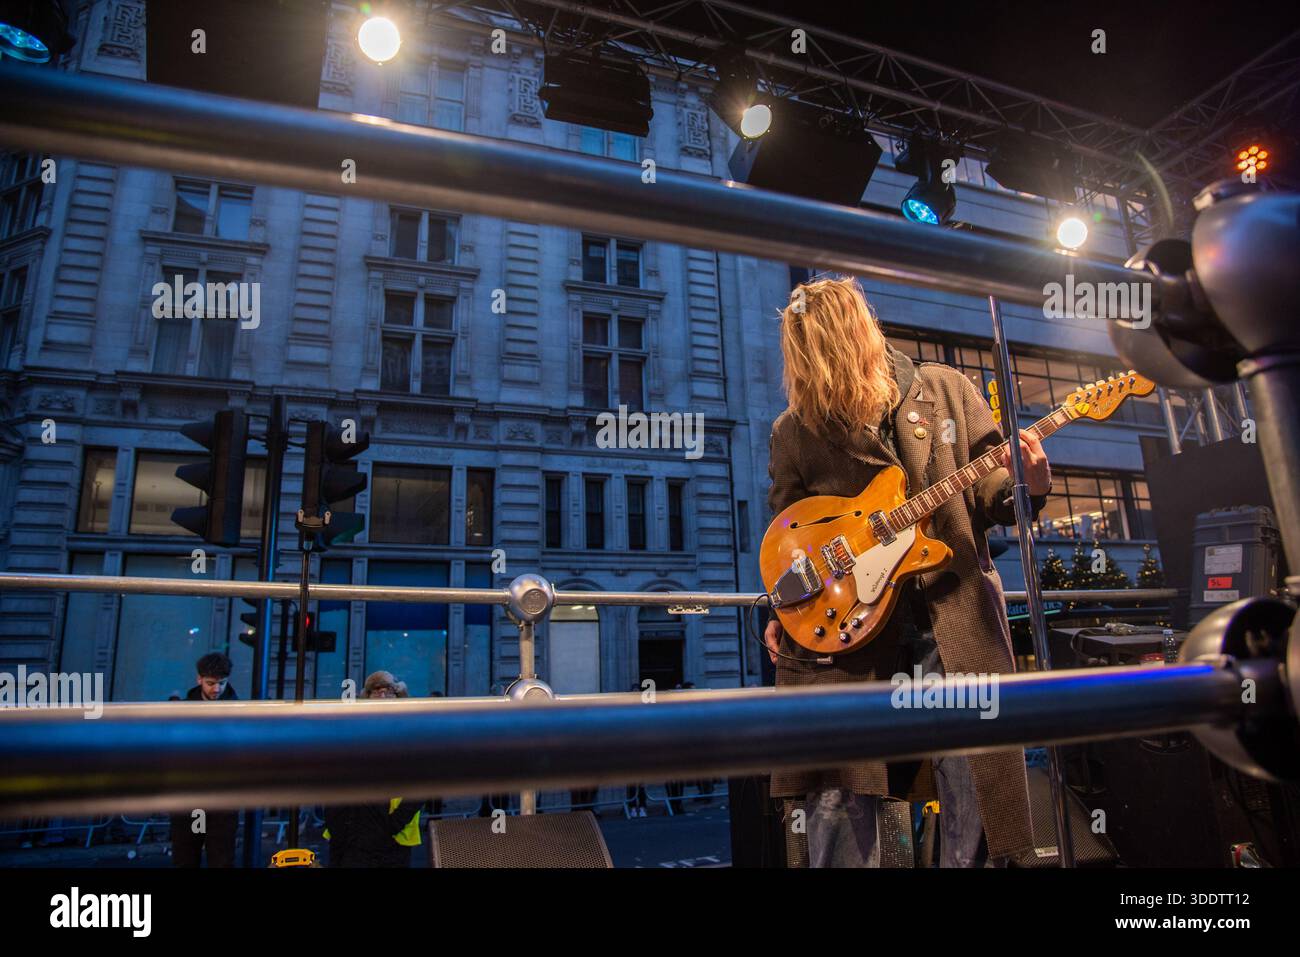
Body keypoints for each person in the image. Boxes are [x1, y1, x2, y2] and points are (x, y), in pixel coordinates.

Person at [762, 277, 1051, 868]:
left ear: (857, 336)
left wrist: (1032, 481)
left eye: (824, 350)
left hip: (954, 611)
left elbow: (995, 491)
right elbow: (788, 534)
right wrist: (786, 606)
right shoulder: (794, 430)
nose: (818, 371)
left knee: (975, 781)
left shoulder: (946, 389)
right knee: (840, 799)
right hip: (853, 636)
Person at [322, 671, 421, 867]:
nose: (382, 696)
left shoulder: (410, 733)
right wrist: (335, 820)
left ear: (398, 697)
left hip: (391, 836)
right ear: (367, 696)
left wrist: (394, 824)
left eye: (388, 692)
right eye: (376, 692)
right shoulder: (353, 729)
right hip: (349, 830)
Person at [169, 652, 240, 867]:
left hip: (218, 798)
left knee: (220, 857)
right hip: (191, 795)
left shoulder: (237, 711)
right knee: (186, 855)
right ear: (199, 679)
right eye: (211, 683)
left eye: (221, 683)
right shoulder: (184, 710)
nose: (216, 689)